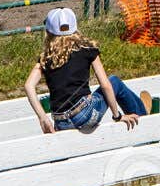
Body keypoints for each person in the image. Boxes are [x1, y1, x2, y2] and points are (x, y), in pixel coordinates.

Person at [23, 7, 151, 134]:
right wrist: (117, 116)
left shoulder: (46, 58)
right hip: (85, 115)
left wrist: (43, 117)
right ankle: (142, 114)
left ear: (49, 31)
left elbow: (29, 86)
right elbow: (105, 85)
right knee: (114, 81)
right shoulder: (87, 49)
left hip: (61, 121)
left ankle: (140, 108)